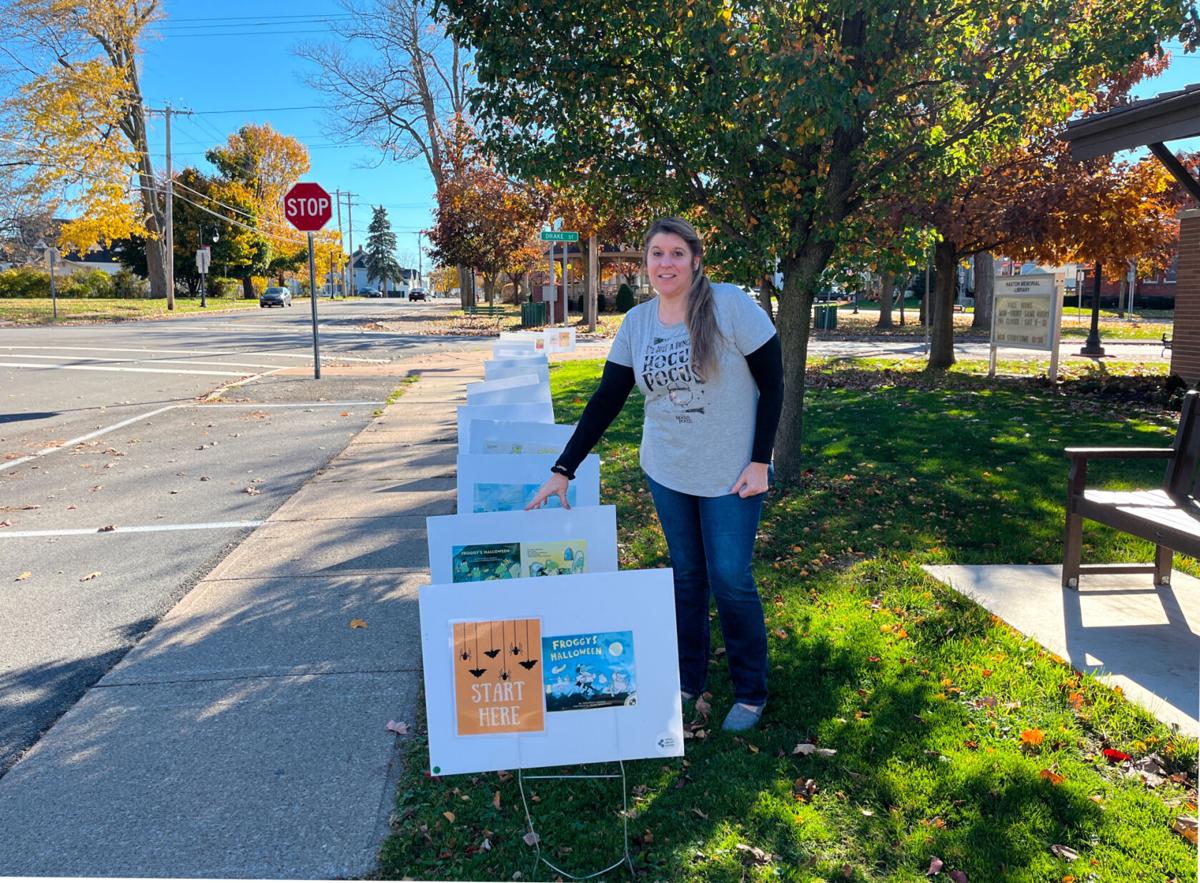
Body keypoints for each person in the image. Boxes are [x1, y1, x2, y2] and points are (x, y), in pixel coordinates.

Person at [526, 217, 784, 732]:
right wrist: (564, 468)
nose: (666, 263)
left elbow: (774, 381)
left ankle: (751, 690)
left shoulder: (731, 305)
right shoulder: (637, 323)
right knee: (687, 577)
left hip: (733, 474)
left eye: (676, 254)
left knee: (731, 579)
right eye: (656, 254)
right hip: (667, 470)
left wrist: (761, 460)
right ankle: (690, 680)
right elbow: (607, 399)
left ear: (695, 259)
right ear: (644, 263)